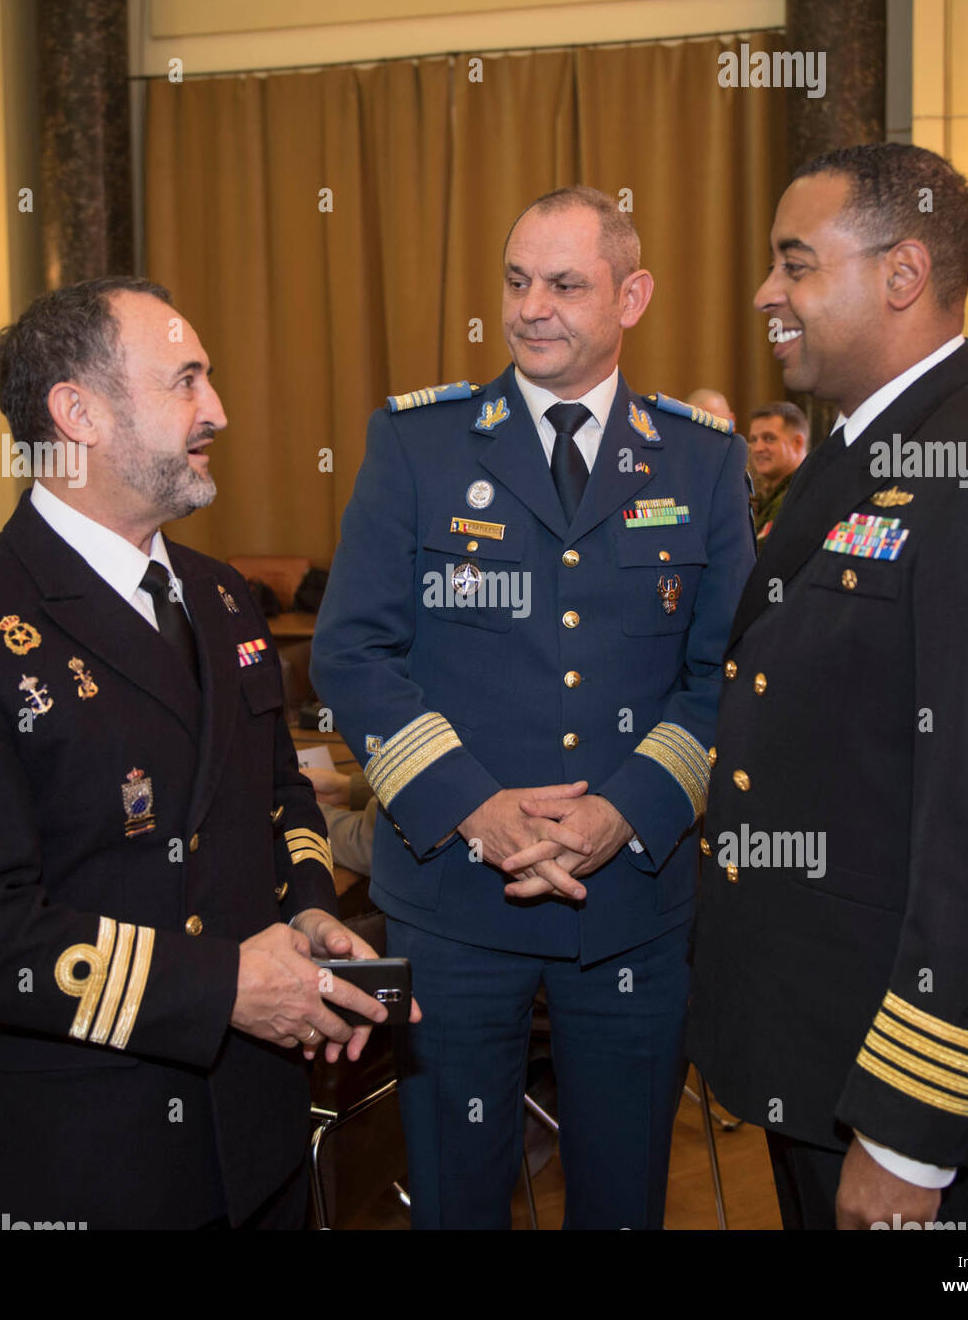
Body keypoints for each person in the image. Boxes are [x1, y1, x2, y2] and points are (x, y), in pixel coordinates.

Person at [0, 277, 405, 1231]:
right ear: (77, 412)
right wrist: (227, 987)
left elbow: (279, 791)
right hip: (80, 1154)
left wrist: (314, 911)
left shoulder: (222, 596)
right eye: (187, 382)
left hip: (255, 1131)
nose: (219, 411)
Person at [687, 144, 968, 1230]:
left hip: (898, 1086)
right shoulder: (857, 453)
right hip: (814, 1044)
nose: (764, 295)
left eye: (795, 264)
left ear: (901, 274)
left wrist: (907, 1137)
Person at [312, 185, 756, 1228]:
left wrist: (626, 810)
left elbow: (728, 672)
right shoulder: (417, 443)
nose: (531, 307)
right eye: (516, 281)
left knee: (623, 1198)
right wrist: (476, 805)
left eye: (564, 283)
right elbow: (352, 651)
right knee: (454, 1199)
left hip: (633, 904)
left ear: (632, 294)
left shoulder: (700, 457)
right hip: (452, 903)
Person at [746, 400, 808, 543]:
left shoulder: (803, 493)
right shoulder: (767, 494)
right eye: (754, 440)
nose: (757, 448)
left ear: (797, 443)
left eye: (769, 438)